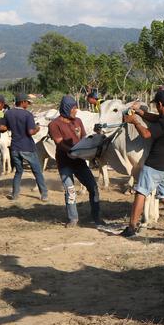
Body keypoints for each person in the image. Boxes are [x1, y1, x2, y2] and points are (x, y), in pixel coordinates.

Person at [120, 88, 164, 237]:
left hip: (155, 164)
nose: (156, 107)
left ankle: (131, 227)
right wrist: (139, 112)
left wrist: (134, 121)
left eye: (156, 104)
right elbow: (156, 118)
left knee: (140, 193)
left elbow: (146, 134)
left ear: (160, 104)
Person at [48, 95, 104, 227]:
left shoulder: (77, 121)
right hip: (65, 163)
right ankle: (73, 219)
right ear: (66, 108)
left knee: (93, 188)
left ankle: (96, 217)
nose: (76, 110)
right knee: (71, 191)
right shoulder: (54, 124)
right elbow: (60, 143)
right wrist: (74, 151)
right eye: (73, 108)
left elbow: (84, 138)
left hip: (79, 162)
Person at [4, 93, 48, 202]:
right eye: (27, 102)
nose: (28, 104)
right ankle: (44, 194)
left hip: (14, 146)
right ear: (23, 102)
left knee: (18, 172)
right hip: (27, 146)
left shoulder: (8, 113)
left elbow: (5, 127)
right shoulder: (27, 114)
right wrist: (37, 128)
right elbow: (30, 132)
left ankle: (15, 195)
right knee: (37, 171)